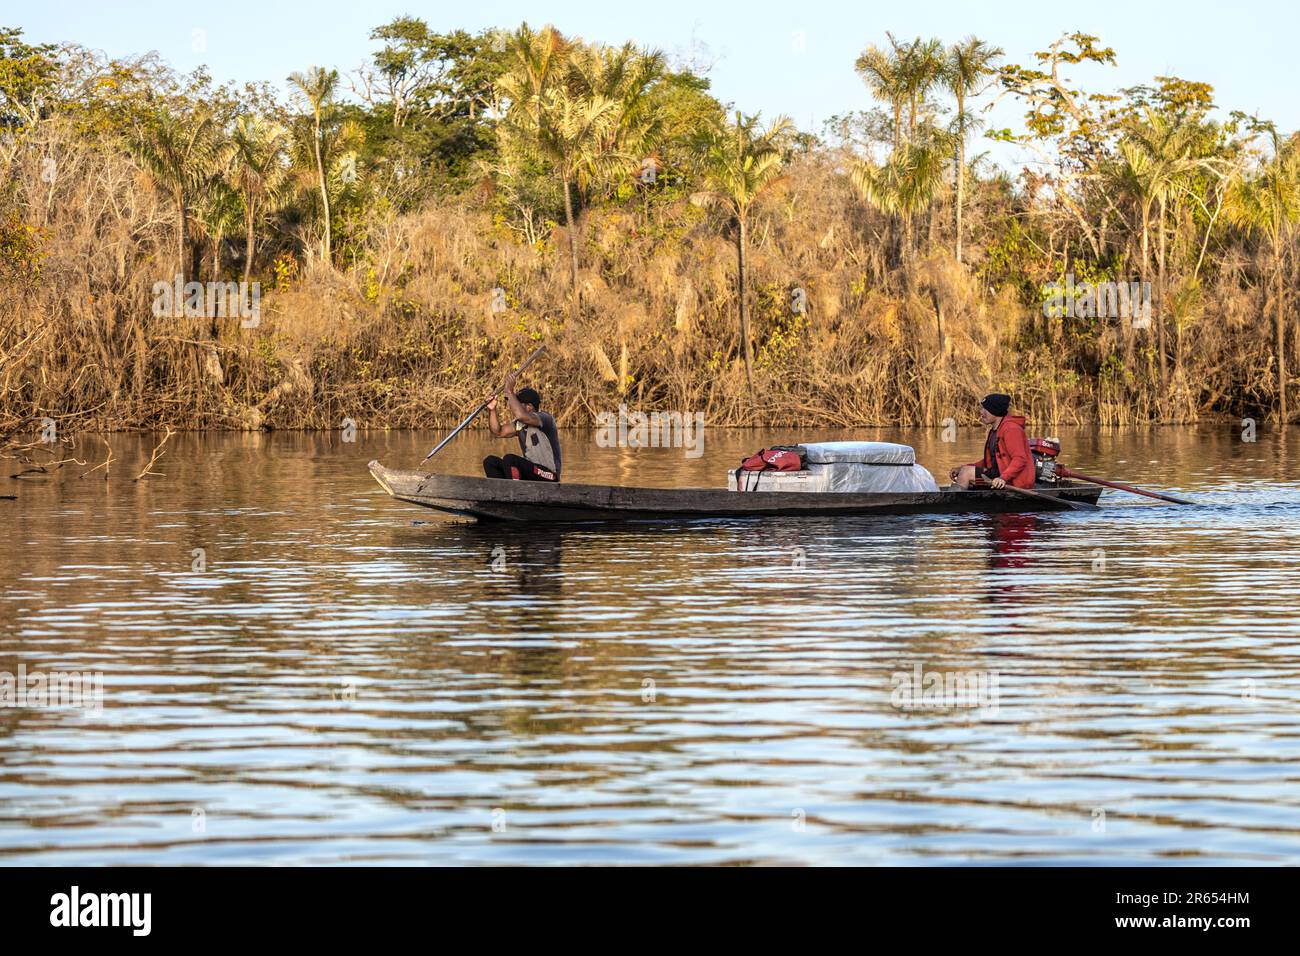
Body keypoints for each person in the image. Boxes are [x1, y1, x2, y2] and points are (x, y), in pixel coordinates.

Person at [481, 372, 562, 482]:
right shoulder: (519, 424)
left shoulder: (544, 418)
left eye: (518, 403)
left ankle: (515, 493)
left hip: (549, 475)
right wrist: (492, 409)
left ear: (529, 407)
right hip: (532, 472)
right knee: (490, 462)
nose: (511, 406)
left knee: (510, 459)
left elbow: (521, 415)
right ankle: (500, 494)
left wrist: (509, 391)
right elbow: (497, 432)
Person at [950, 393, 1035, 490]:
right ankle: (959, 499)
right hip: (997, 475)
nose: (981, 412)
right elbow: (989, 462)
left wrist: (1003, 478)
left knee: (966, 473)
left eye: (985, 409)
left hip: (1014, 481)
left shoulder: (1011, 429)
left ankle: (955, 503)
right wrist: (961, 468)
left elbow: (1020, 459)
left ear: (995, 411)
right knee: (964, 471)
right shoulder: (995, 431)